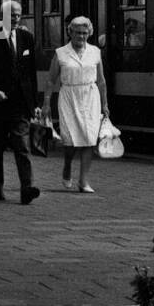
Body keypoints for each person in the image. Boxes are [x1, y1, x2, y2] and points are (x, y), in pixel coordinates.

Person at [0, 0, 40, 204]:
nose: (15, 18)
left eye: (18, 15)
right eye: (11, 15)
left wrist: (34, 102)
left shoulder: (26, 37)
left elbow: (31, 73)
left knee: (22, 145)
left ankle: (27, 188)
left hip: (19, 103)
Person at [46, 15, 108, 193]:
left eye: (84, 33)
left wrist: (105, 104)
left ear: (89, 33)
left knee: (89, 139)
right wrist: (46, 104)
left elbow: (101, 81)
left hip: (90, 96)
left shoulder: (95, 52)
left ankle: (83, 181)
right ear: (70, 32)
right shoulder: (60, 53)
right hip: (68, 97)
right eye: (77, 33)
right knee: (70, 140)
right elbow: (51, 81)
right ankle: (67, 166)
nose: (81, 36)